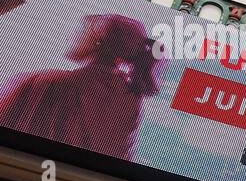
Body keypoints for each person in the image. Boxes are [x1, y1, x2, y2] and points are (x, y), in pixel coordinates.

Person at [0, 12, 160, 160]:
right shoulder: (131, 101)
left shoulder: (47, 83)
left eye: (81, 30)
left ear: (97, 42)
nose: (71, 36)